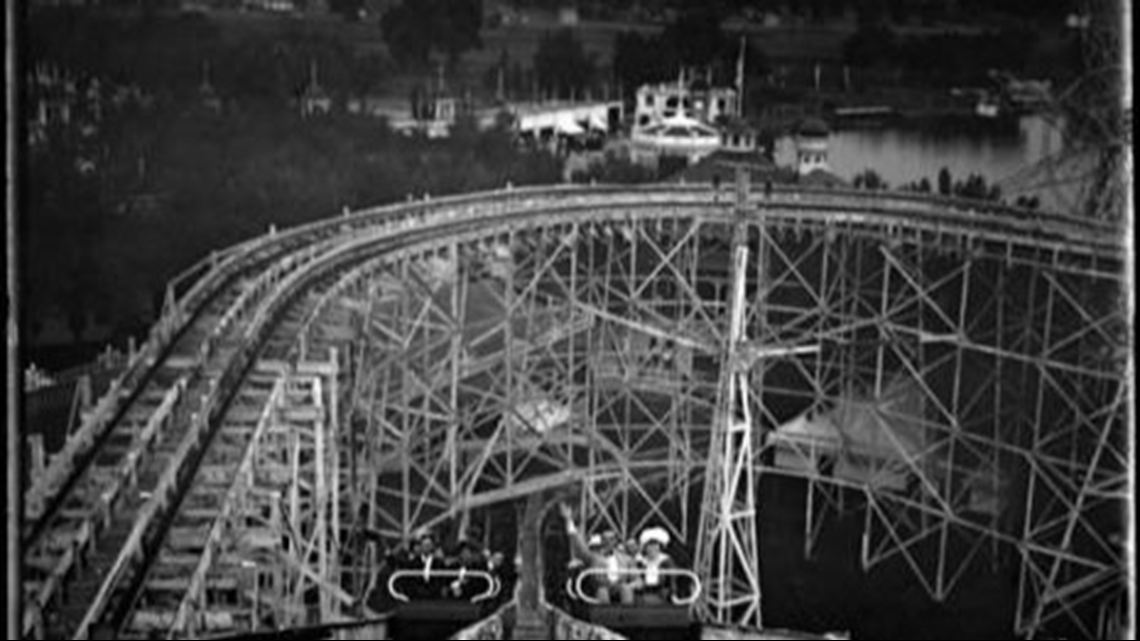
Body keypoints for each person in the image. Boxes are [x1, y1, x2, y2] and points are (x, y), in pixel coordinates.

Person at [558, 504, 636, 604]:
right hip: (602, 587)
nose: (609, 542)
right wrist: (569, 520)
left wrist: (631, 585)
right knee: (602, 591)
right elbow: (580, 547)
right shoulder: (594, 556)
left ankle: (628, 612)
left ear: (615, 541)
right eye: (606, 539)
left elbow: (637, 579)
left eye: (612, 539)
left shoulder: (626, 558)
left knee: (626, 589)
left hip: (619, 586)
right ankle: (604, 613)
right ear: (602, 541)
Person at [630, 527, 676, 604]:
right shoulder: (640, 562)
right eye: (650, 545)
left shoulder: (666, 561)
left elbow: (672, 580)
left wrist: (673, 594)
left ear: (659, 547)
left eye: (655, 545)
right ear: (645, 548)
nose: (652, 548)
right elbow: (636, 577)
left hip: (661, 593)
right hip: (642, 593)